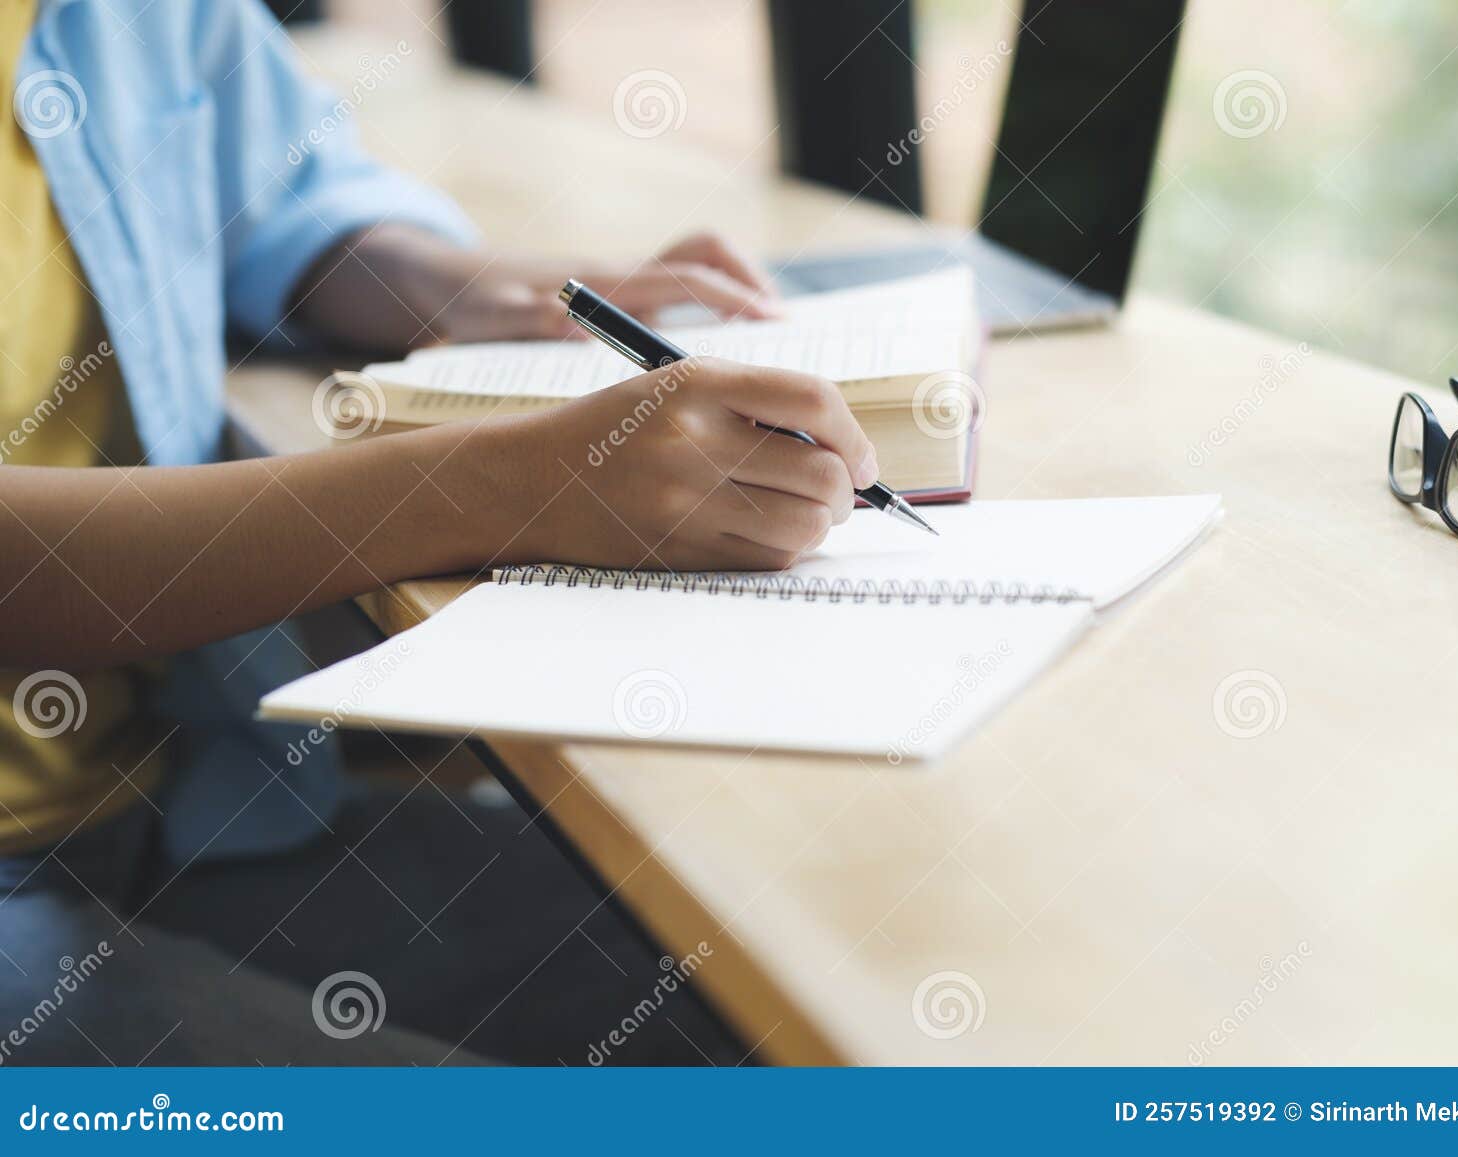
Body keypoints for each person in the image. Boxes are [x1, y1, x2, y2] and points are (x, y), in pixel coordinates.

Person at [0, 0, 873, 1064]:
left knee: (794, 1001)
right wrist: (513, 484)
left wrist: (468, 289)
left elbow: (276, 203)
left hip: (189, 794)